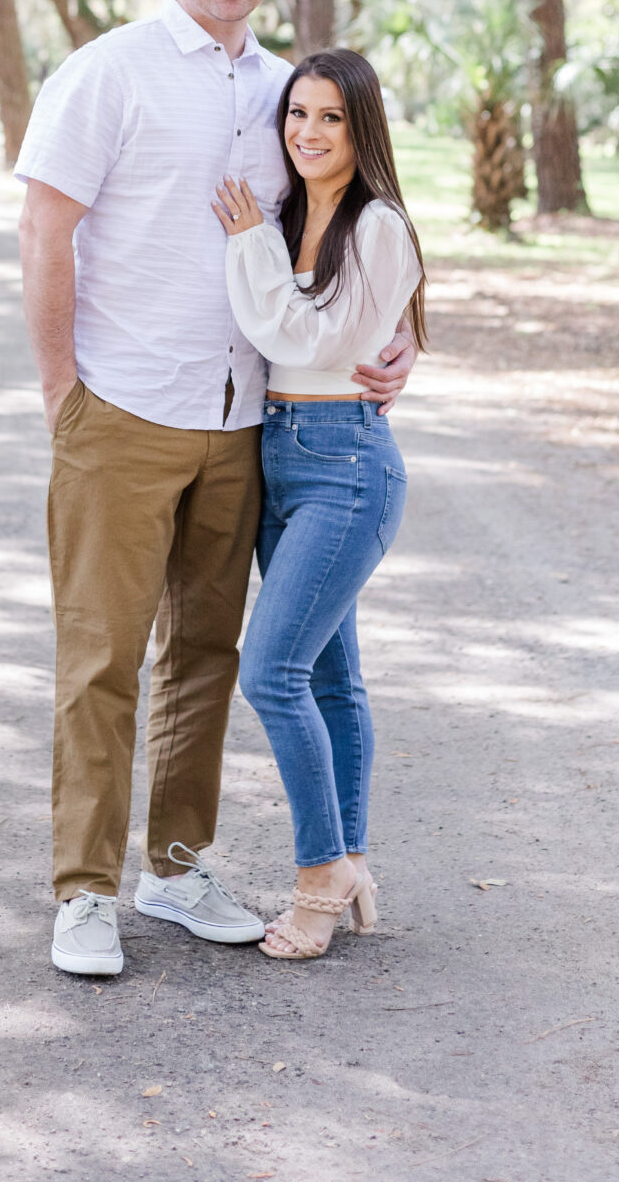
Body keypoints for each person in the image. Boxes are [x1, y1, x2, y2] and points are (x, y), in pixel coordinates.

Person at [16, 0, 416, 977]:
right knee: (100, 658)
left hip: (249, 422)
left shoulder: (291, 88)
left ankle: (177, 865)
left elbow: (361, 218)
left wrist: (400, 340)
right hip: (125, 410)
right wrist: (64, 394)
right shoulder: (108, 71)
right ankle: (85, 890)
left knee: (205, 652)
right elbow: (46, 230)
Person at [213, 47, 427, 962]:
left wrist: (247, 243)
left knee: (270, 673)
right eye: (296, 114)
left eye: (330, 117)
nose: (307, 132)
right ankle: (351, 861)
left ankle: (318, 876)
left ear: (362, 126)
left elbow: (306, 333)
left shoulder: (379, 227)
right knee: (331, 679)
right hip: (278, 452)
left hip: (345, 463)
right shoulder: (295, 214)